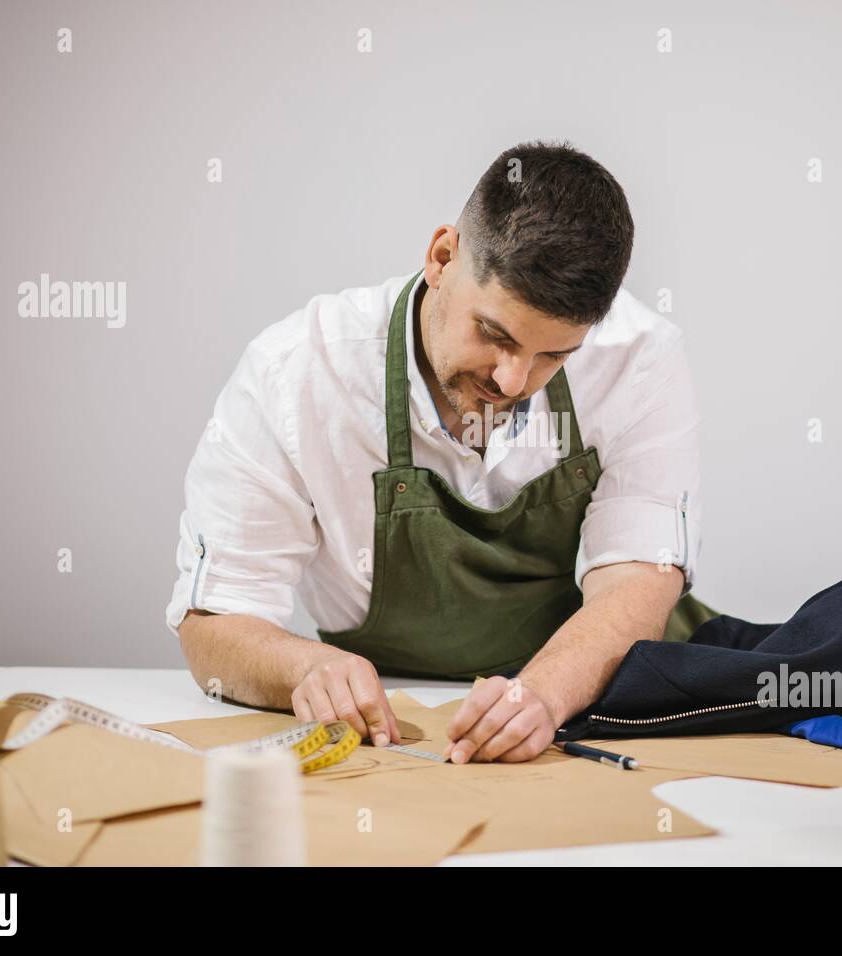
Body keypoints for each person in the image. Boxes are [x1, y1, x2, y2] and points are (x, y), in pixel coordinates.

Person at [166, 140, 716, 764]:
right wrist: (307, 670)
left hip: (600, 714)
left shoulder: (639, 360)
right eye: (495, 334)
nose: (512, 380)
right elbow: (214, 621)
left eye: (553, 355)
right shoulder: (295, 376)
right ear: (442, 256)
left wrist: (540, 696)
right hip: (404, 736)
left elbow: (637, 577)